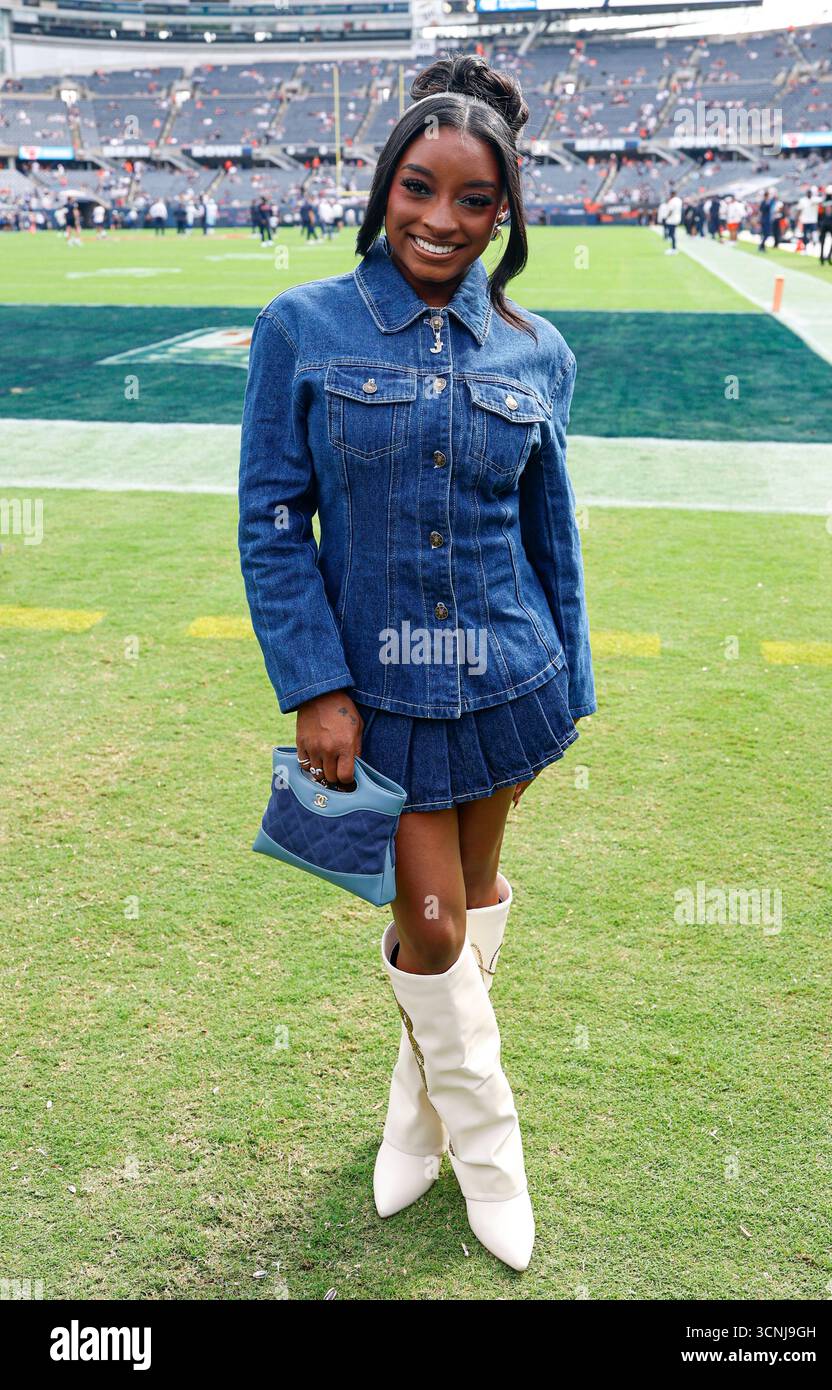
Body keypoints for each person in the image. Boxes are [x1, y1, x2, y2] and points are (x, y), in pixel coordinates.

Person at [238, 52, 595, 1273]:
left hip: (509, 676)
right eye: (417, 188)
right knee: (435, 928)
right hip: (376, 694)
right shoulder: (302, 328)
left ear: (508, 214)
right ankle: (491, 1157)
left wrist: (574, 683)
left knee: (469, 910)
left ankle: (412, 1122)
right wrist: (313, 687)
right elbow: (275, 521)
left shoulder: (535, 349)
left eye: (473, 199)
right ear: (382, 185)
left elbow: (550, 532)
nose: (441, 221)